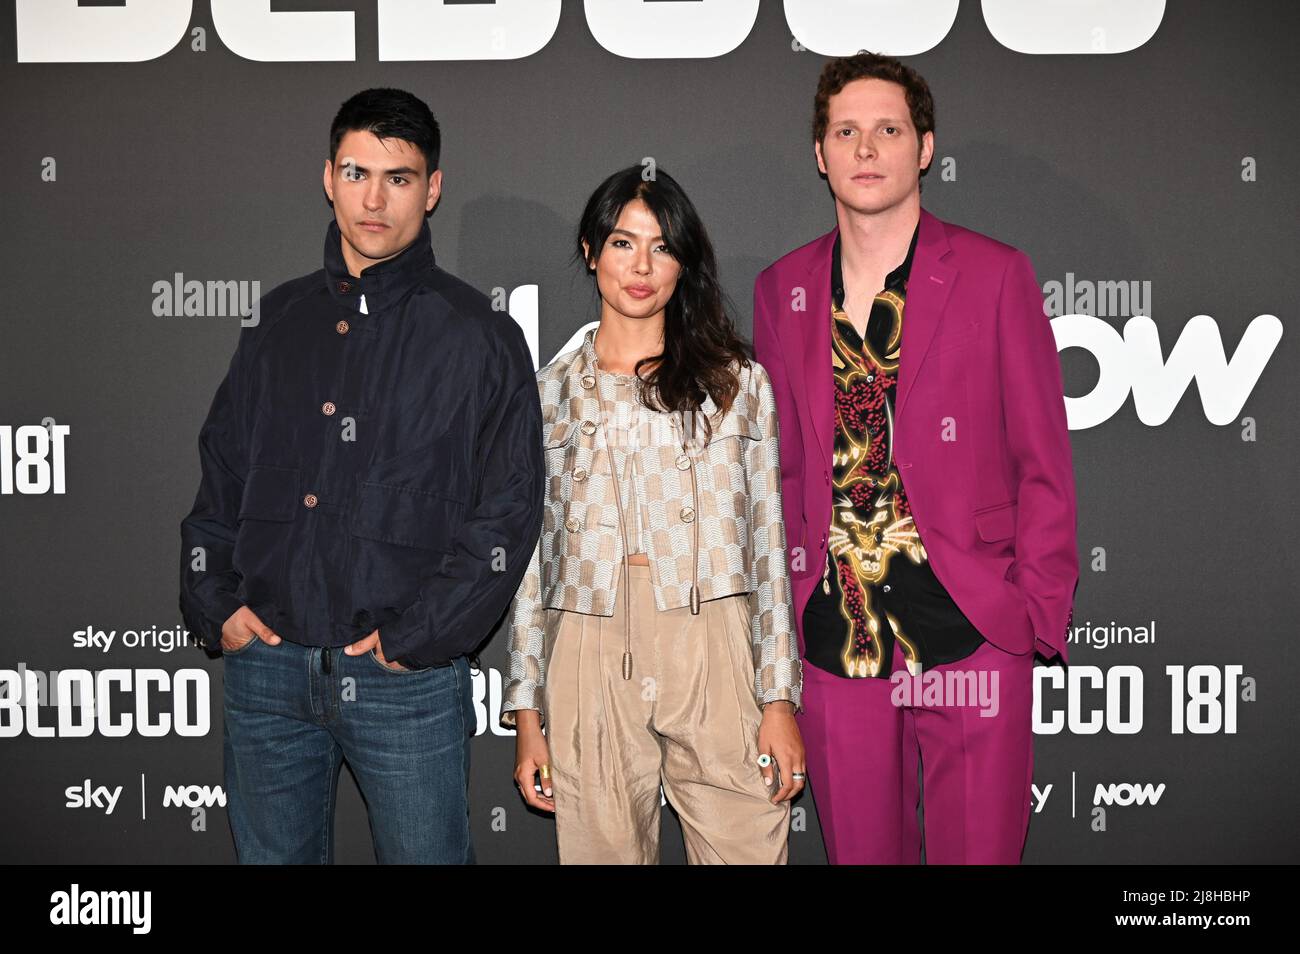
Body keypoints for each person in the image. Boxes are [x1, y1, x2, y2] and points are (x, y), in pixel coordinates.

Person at [178, 87, 543, 864]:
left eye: (399, 177)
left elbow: (508, 513)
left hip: (402, 684)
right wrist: (218, 607)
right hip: (266, 674)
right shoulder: (275, 324)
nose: (373, 198)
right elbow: (220, 477)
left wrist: (416, 640)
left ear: (433, 188)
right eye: (356, 172)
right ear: (327, 177)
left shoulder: (480, 336)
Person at [752, 52, 1078, 864]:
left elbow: (1043, 460)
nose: (867, 149)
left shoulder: (996, 274)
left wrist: (1029, 612)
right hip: (840, 639)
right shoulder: (781, 288)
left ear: (924, 147)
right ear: (819, 154)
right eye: (847, 131)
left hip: (972, 626)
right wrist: (788, 610)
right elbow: (780, 469)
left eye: (888, 130)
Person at [502, 166, 804, 864]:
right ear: (588, 251)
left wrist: (779, 698)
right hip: (585, 640)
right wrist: (527, 715)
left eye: (662, 247)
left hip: (714, 634)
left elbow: (768, 543)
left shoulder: (736, 383)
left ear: (683, 261)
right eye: (621, 243)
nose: (641, 266)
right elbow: (526, 565)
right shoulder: (545, 394)